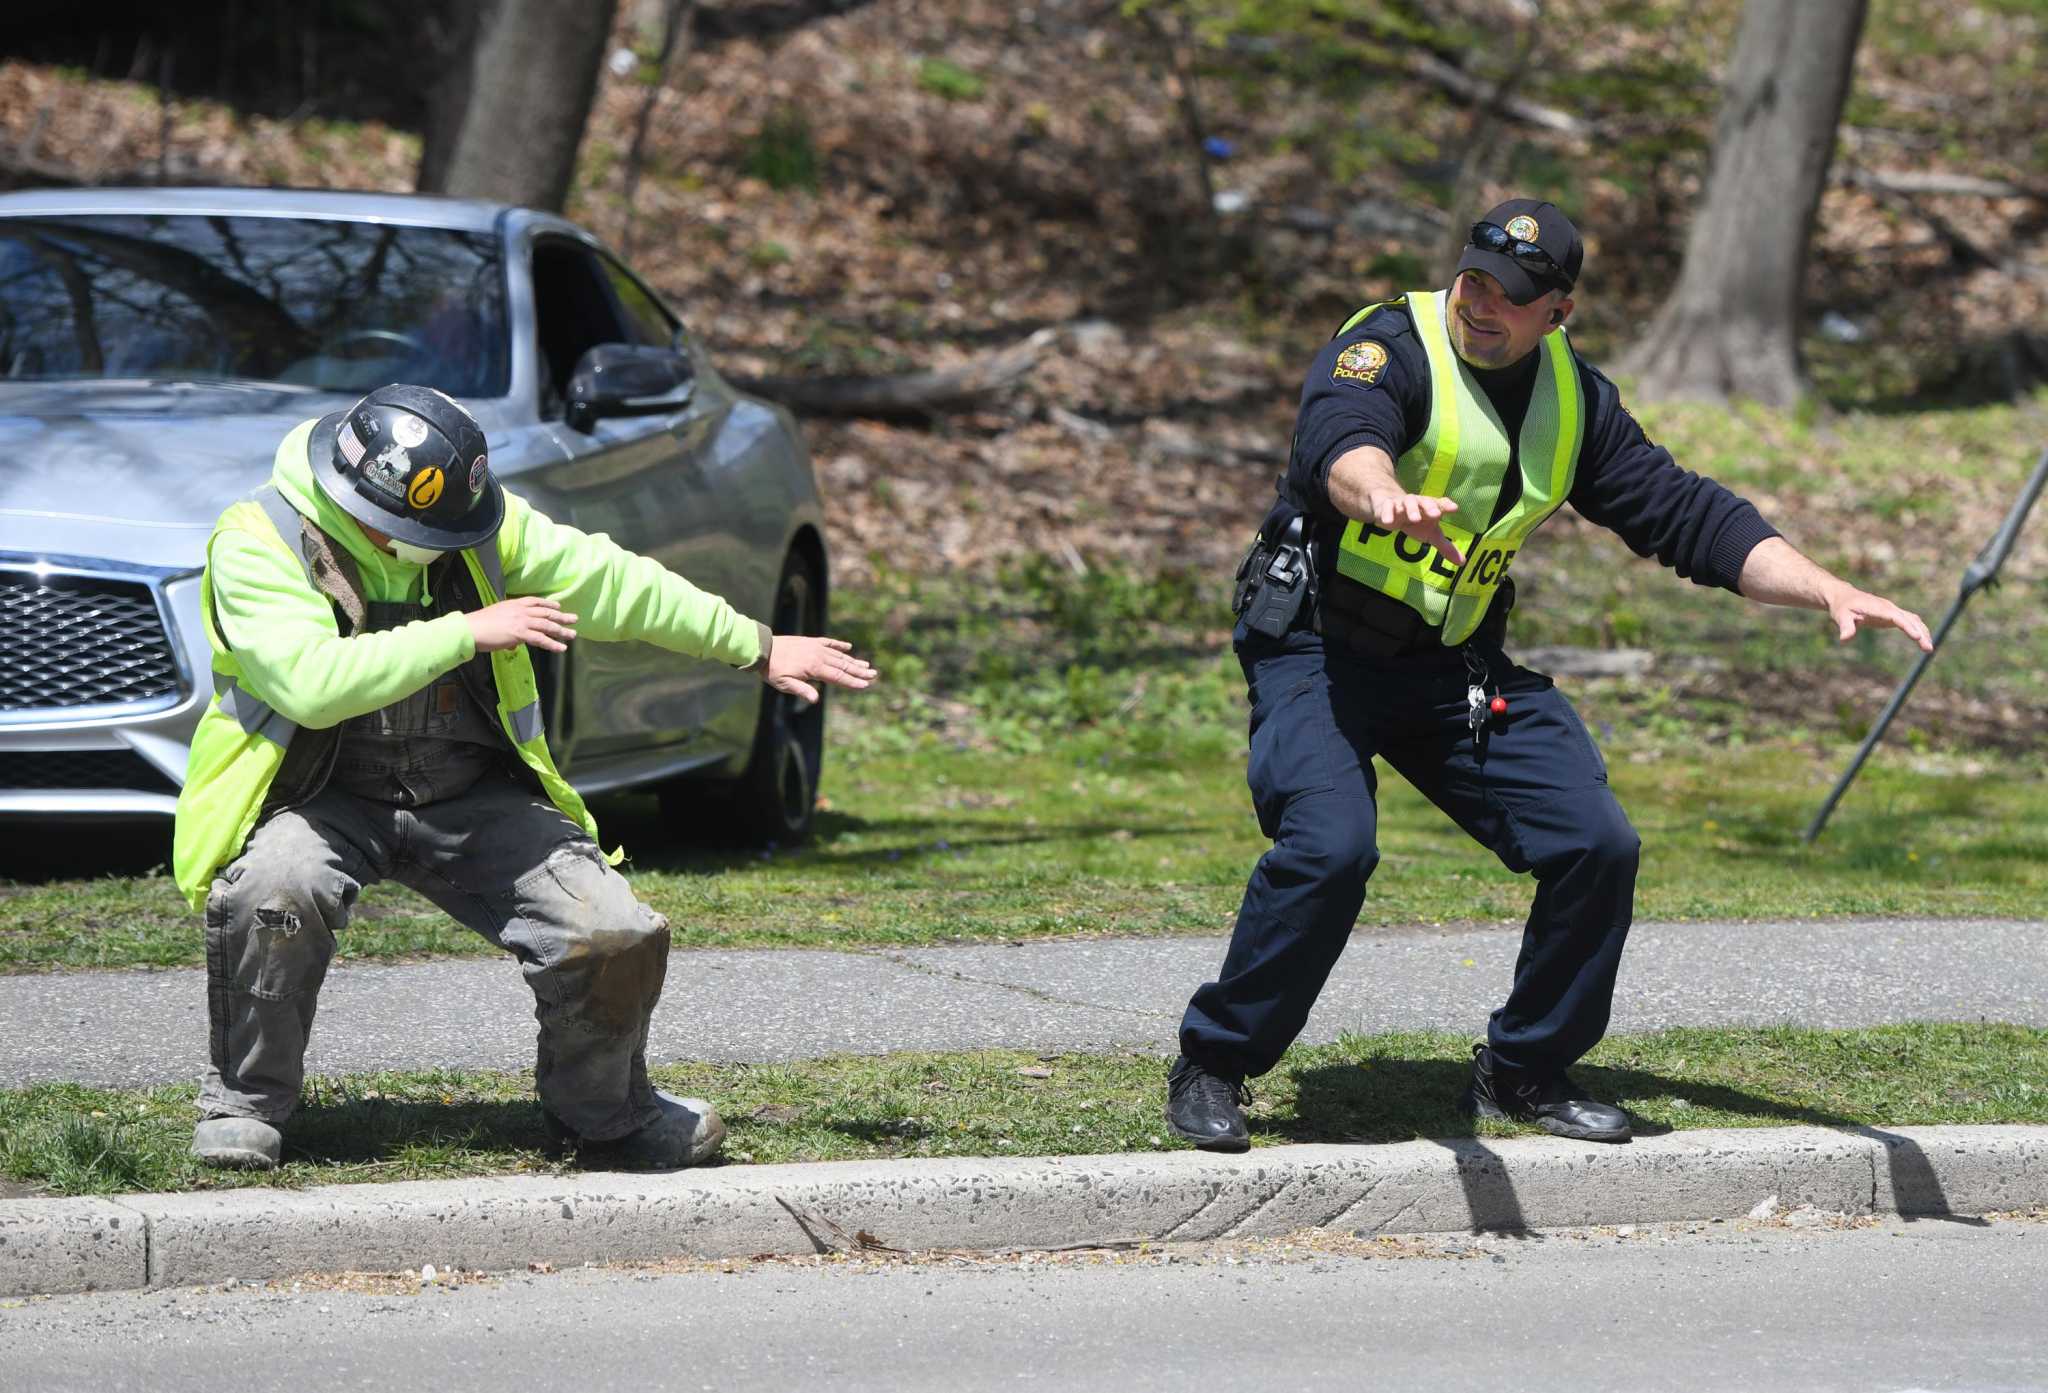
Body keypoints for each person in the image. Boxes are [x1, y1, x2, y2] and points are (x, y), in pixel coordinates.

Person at [1166, 199, 1932, 1151]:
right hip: (1318, 648)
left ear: (1557, 313)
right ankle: (1216, 1062)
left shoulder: (1576, 400)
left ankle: (1524, 1070)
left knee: (1594, 841)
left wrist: (1821, 586)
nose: (1481, 303)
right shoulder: (1388, 344)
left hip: (1451, 664)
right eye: (1474, 278)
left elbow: (1682, 513)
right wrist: (1383, 494)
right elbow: (1340, 436)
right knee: (1331, 847)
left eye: (1512, 295)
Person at [173, 383, 876, 1171]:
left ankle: (606, 1114)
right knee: (276, 891)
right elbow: (309, 682)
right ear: (369, 509)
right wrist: (466, 631)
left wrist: (758, 643)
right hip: (319, 793)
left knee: (612, 928)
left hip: (469, 791)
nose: (450, 545)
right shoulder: (257, 539)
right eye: (427, 530)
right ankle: (246, 1103)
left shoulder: (472, 532)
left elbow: (614, 582)